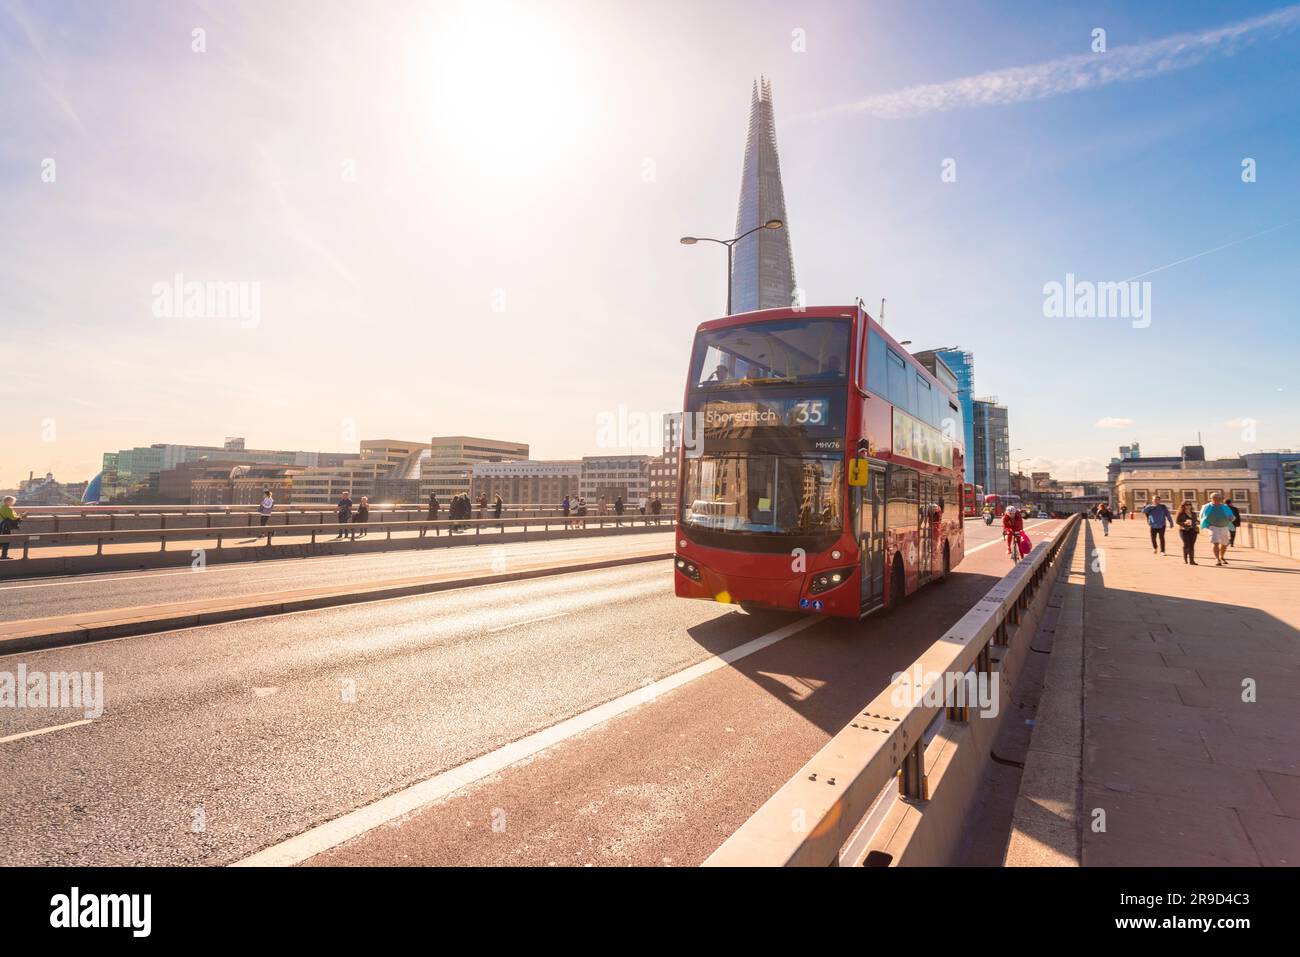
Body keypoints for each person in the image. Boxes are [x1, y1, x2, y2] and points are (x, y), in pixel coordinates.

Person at [1199, 491, 1235, 566]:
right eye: (1214, 498)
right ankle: (1217, 559)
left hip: (1224, 526)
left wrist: (1231, 518)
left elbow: (1231, 516)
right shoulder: (1206, 506)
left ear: (1220, 499)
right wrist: (1206, 524)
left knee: (1224, 543)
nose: (1216, 499)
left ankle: (1222, 557)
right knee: (1215, 542)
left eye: (1218, 498)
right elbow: (1201, 516)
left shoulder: (1225, 507)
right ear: (1211, 499)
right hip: (1213, 526)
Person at [1176, 501, 1200, 565]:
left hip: (1193, 530)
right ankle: (1185, 559)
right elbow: (1177, 521)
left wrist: (1197, 522)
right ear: (1183, 505)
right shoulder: (1181, 513)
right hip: (1184, 530)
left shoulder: (1194, 513)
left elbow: (1196, 521)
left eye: (1189, 504)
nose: (1188, 506)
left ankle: (1192, 561)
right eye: (1186, 504)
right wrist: (1184, 523)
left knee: (1191, 545)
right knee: (1186, 544)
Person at [0, 495, 23, 560]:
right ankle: (4, 555)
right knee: (6, 540)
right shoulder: (7, 508)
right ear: (8, 501)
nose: (12, 503)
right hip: (5, 527)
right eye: (12, 502)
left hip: (0, 525)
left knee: (1, 540)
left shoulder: (0, 505)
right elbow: (13, 518)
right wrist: (21, 516)